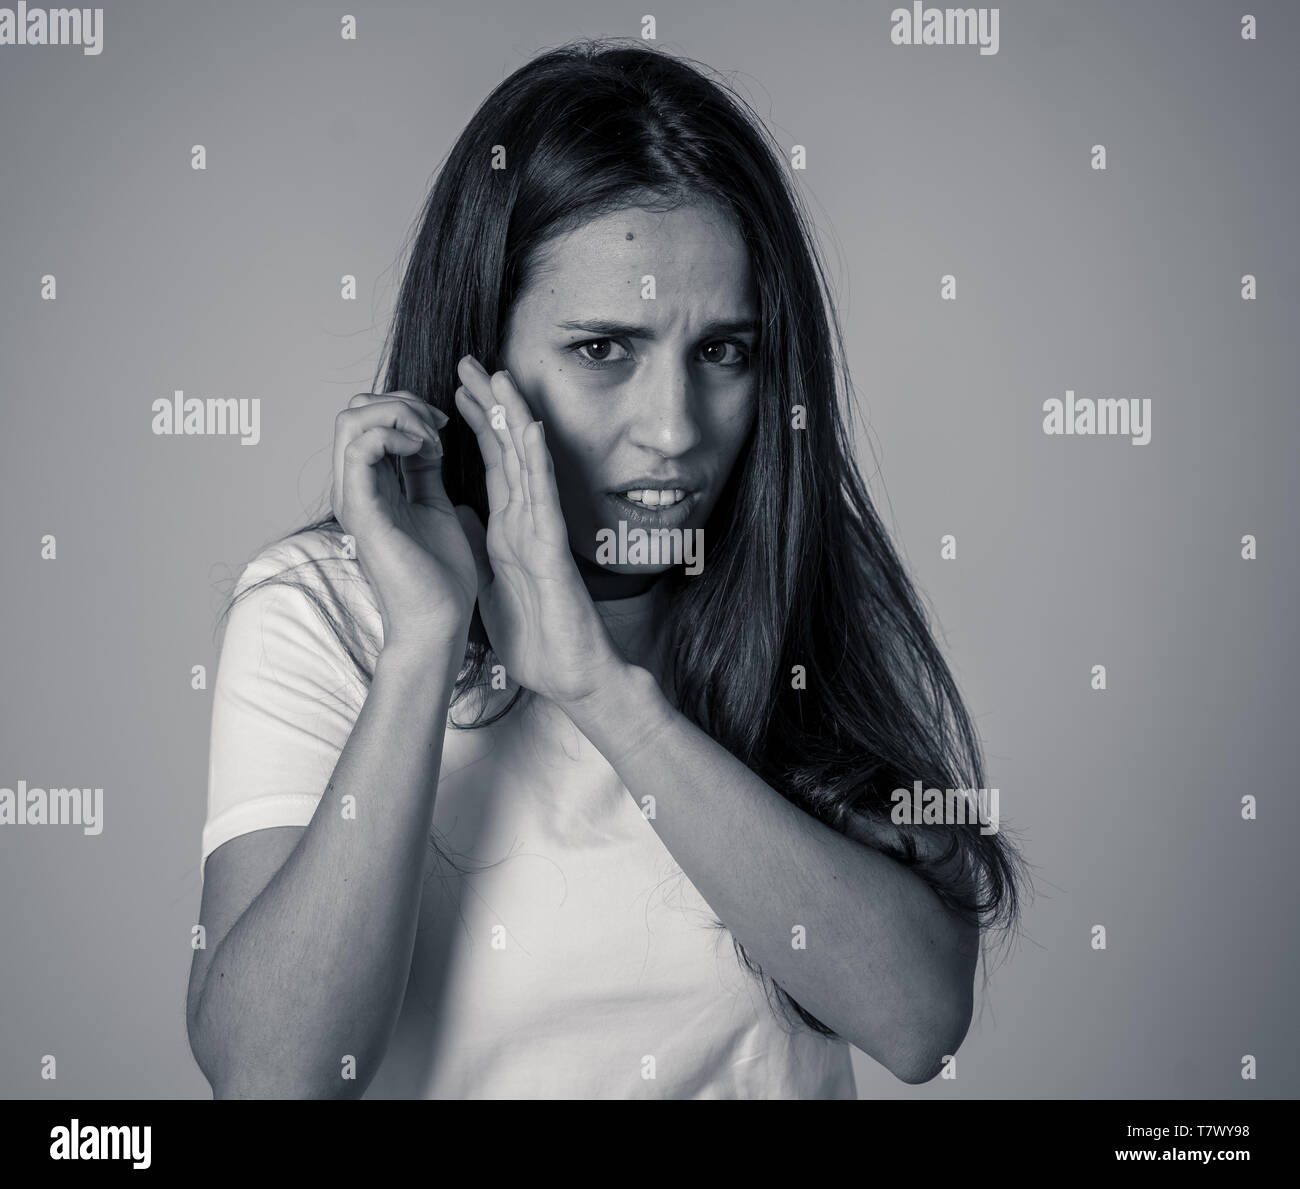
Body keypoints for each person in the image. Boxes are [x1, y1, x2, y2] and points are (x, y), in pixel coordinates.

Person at [185, 37, 1027, 1100]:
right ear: (477, 358)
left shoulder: (789, 587)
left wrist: (606, 697)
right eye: (603, 350)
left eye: (721, 352)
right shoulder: (320, 612)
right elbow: (271, 1078)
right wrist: (421, 649)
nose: (673, 430)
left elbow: (917, 1023)